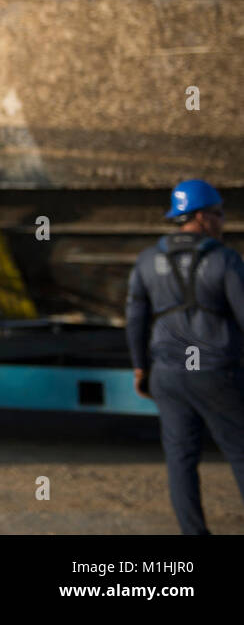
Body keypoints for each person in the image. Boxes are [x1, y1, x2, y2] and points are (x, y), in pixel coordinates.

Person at [126, 178, 244, 534]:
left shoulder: (147, 260)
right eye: (220, 213)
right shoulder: (225, 259)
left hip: (167, 375)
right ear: (201, 216)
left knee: (180, 461)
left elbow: (135, 319)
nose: (224, 221)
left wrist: (139, 368)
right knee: (240, 453)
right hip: (216, 373)